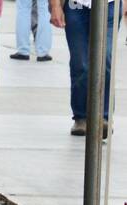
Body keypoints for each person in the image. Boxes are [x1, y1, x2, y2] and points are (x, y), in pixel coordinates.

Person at [50, 0, 116, 136]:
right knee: (80, 63)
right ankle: (81, 116)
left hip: (109, 5)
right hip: (76, 5)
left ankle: (103, 116)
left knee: (105, 58)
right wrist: (55, 6)